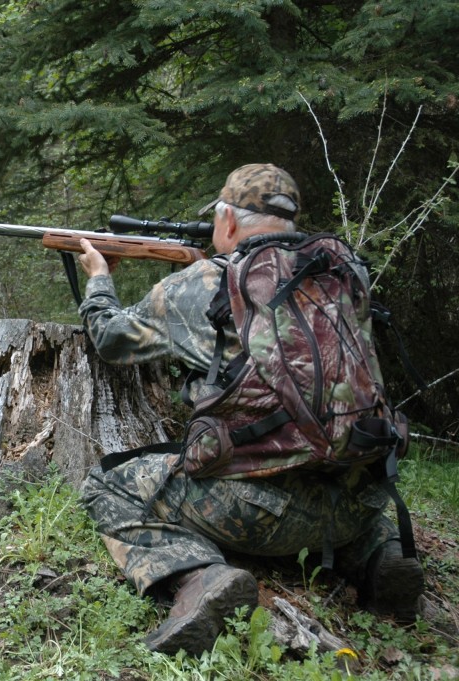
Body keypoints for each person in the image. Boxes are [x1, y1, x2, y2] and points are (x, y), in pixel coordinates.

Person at [75, 163, 424, 656]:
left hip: (256, 512)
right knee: (336, 480)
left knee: (106, 486)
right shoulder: (347, 273)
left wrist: (99, 279)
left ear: (229, 221)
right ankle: (379, 556)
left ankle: (200, 577)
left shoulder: (203, 282)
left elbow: (110, 339)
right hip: (355, 500)